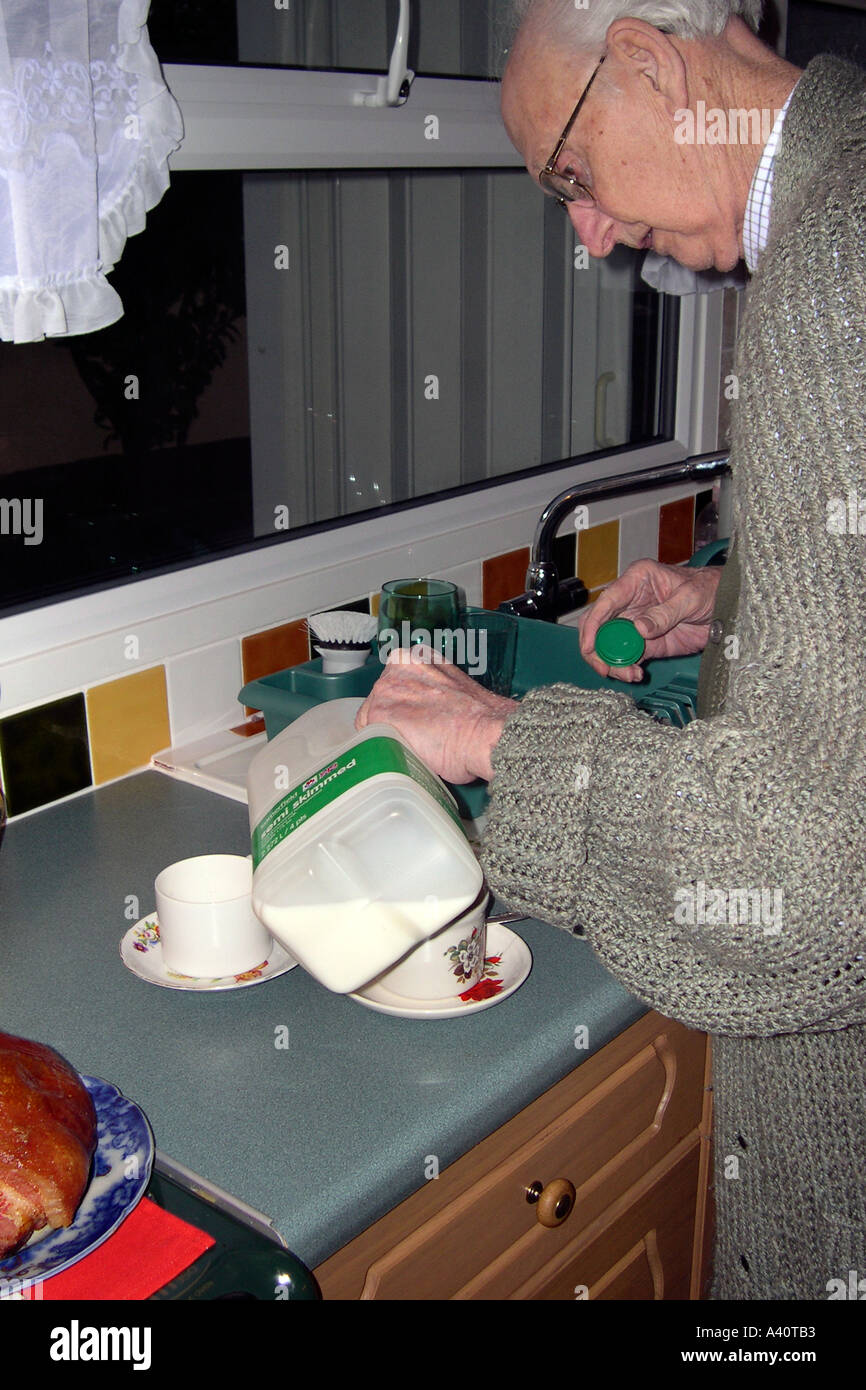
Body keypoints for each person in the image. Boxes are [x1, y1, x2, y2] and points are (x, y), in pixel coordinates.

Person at [357, 0, 866, 1302]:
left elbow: (803, 880)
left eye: (570, 177)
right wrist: (731, 594)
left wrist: (493, 737)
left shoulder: (826, 280)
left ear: (646, 58)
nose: (586, 238)